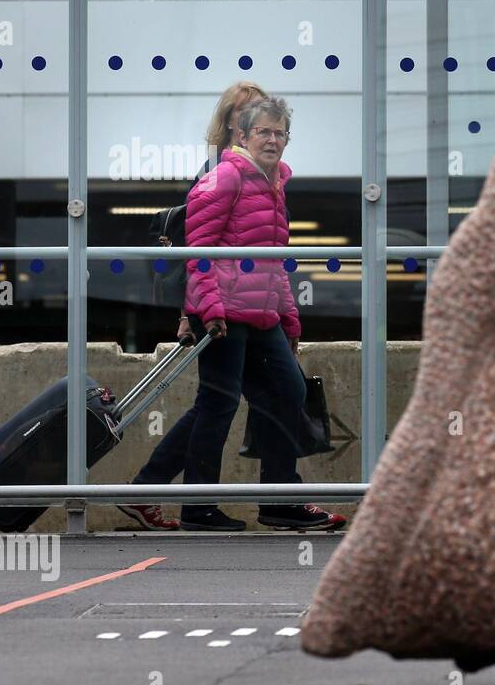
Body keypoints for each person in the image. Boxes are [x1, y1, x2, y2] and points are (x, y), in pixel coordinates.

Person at [120, 94, 344, 532]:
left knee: (289, 392)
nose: (273, 140)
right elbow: (198, 251)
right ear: (241, 135)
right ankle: (199, 508)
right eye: (264, 131)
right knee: (218, 405)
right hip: (223, 311)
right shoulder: (224, 178)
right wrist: (207, 307)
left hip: (261, 314)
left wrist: (289, 318)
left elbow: (273, 259)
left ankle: (280, 500)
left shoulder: (274, 183)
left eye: (280, 133)